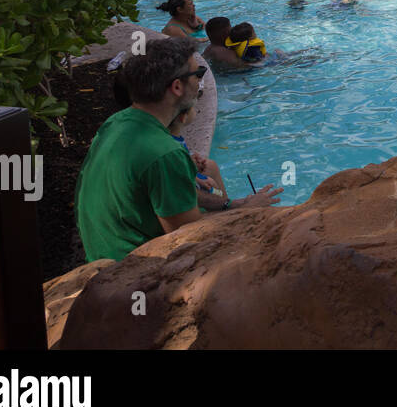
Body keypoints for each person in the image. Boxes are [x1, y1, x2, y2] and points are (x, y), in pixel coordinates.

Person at [75, 37, 282, 261]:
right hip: (135, 268)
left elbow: (171, 196)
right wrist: (246, 212)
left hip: (103, 251)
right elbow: (189, 237)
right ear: (177, 86)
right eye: (199, 74)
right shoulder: (164, 153)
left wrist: (233, 204)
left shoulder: (117, 121)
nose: (200, 82)